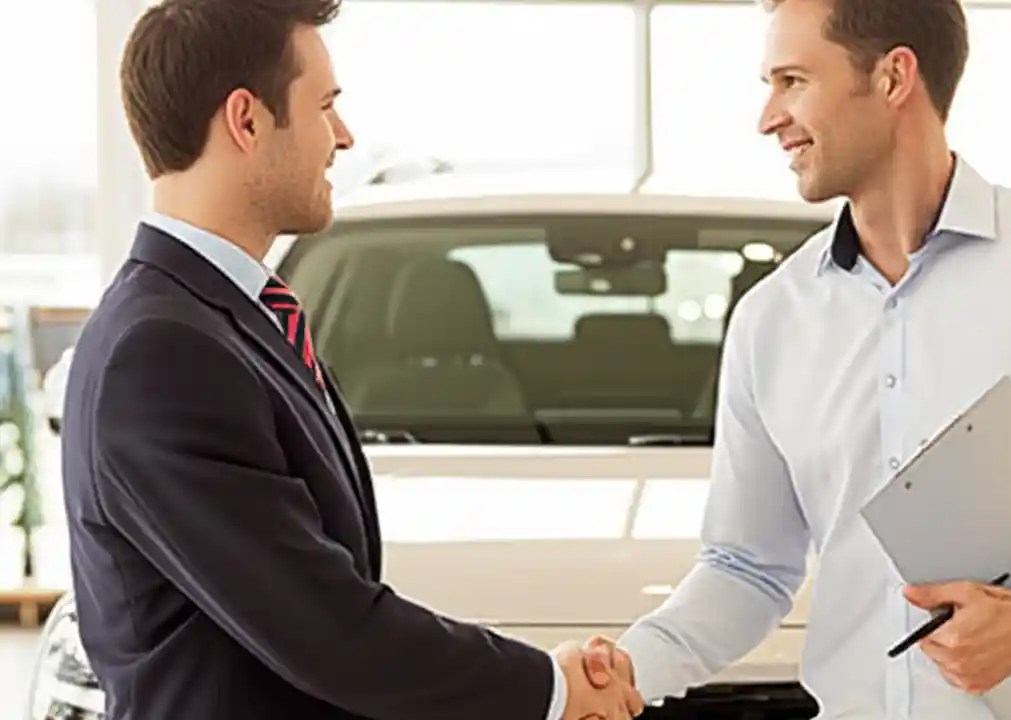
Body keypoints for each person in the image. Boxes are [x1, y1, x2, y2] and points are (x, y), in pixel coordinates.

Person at [583, 0, 1011, 718]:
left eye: (792, 81)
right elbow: (748, 567)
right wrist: (629, 669)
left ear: (894, 75)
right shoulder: (771, 320)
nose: (768, 117)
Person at [59, 1, 641, 719]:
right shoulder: (161, 354)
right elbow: (327, 629)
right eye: (325, 105)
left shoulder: (229, 319)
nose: (343, 136)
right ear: (246, 120)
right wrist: (552, 689)